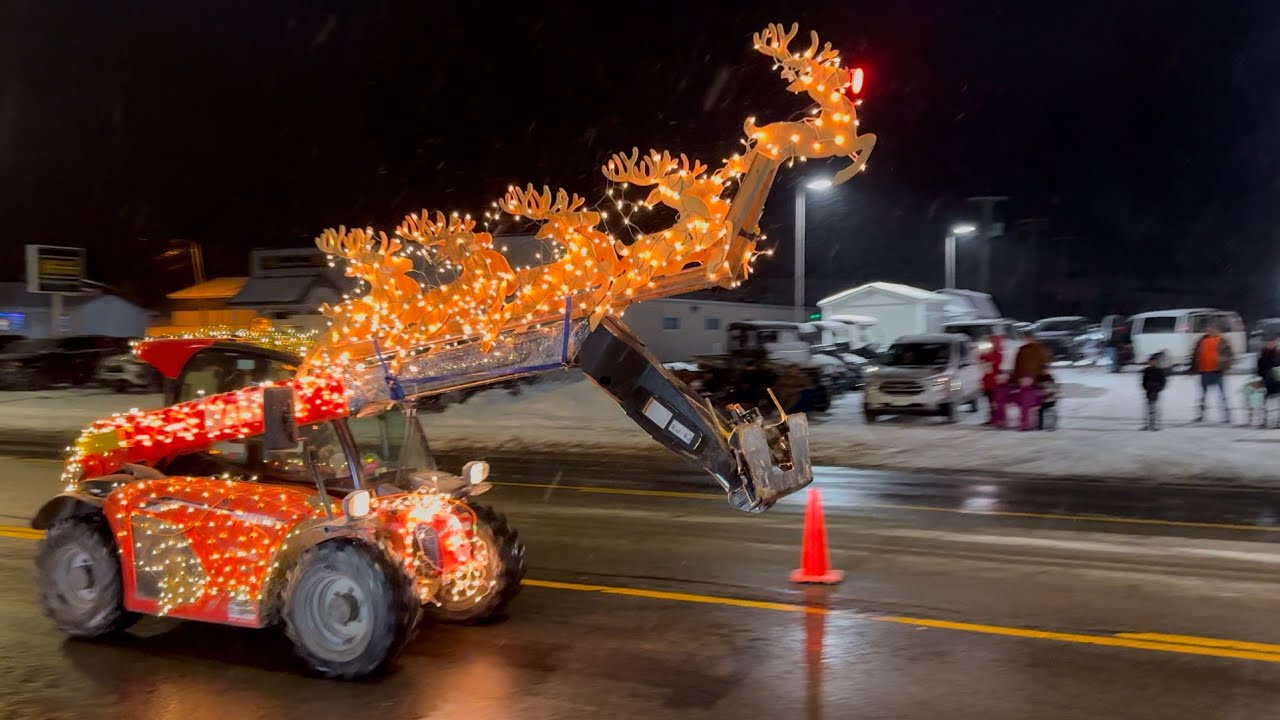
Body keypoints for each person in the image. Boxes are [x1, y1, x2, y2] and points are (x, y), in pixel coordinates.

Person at [1192, 324, 1234, 423]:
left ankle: (1227, 416)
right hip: (1204, 371)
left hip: (1217, 371)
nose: (1211, 331)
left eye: (1213, 330)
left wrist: (1225, 365)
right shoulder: (1201, 341)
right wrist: (1193, 368)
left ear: (1218, 331)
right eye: (1209, 329)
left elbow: (1230, 355)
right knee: (1203, 395)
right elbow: (1195, 355)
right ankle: (1200, 415)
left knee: (1222, 395)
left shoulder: (1222, 341)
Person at [1012, 330, 1052, 431]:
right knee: (1025, 403)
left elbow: (1045, 365)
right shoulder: (1022, 350)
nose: (1027, 340)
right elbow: (1017, 366)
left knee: (1030, 403)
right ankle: (1026, 424)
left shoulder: (1040, 349)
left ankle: (1030, 424)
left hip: (1035, 381)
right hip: (1026, 381)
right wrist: (1018, 379)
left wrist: (1037, 378)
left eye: (1029, 338)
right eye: (1026, 338)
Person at [980, 334, 1007, 427]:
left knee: (995, 401)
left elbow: (994, 364)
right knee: (990, 401)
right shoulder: (986, 354)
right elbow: (981, 362)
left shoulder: (998, 355)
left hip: (995, 382)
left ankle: (997, 418)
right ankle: (993, 418)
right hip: (988, 382)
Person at [1256, 336, 1280, 428]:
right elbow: (1260, 368)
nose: (1273, 344)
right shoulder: (1263, 354)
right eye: (1271, 343)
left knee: (1277, 403)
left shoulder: (1278, 354)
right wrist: (1262, 378)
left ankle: (1277, 421)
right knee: (1267, 403)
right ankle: (1265, 421)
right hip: (1267, 381)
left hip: (1276, 381)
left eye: (1274, 342)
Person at [1141, 352, 1167, 431]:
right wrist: (1146, 387)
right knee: (1149, 408)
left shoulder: (1159, 370)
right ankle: (1148, 424)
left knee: (1154, 408)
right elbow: (1144, 381)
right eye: (1150, 361)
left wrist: (1159, 388)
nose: (1152, 363)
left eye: (1153, 361)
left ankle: (1155, 424)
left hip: (1155, 391)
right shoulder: (1147, 370)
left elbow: (1163, 381)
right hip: (1149, 391)